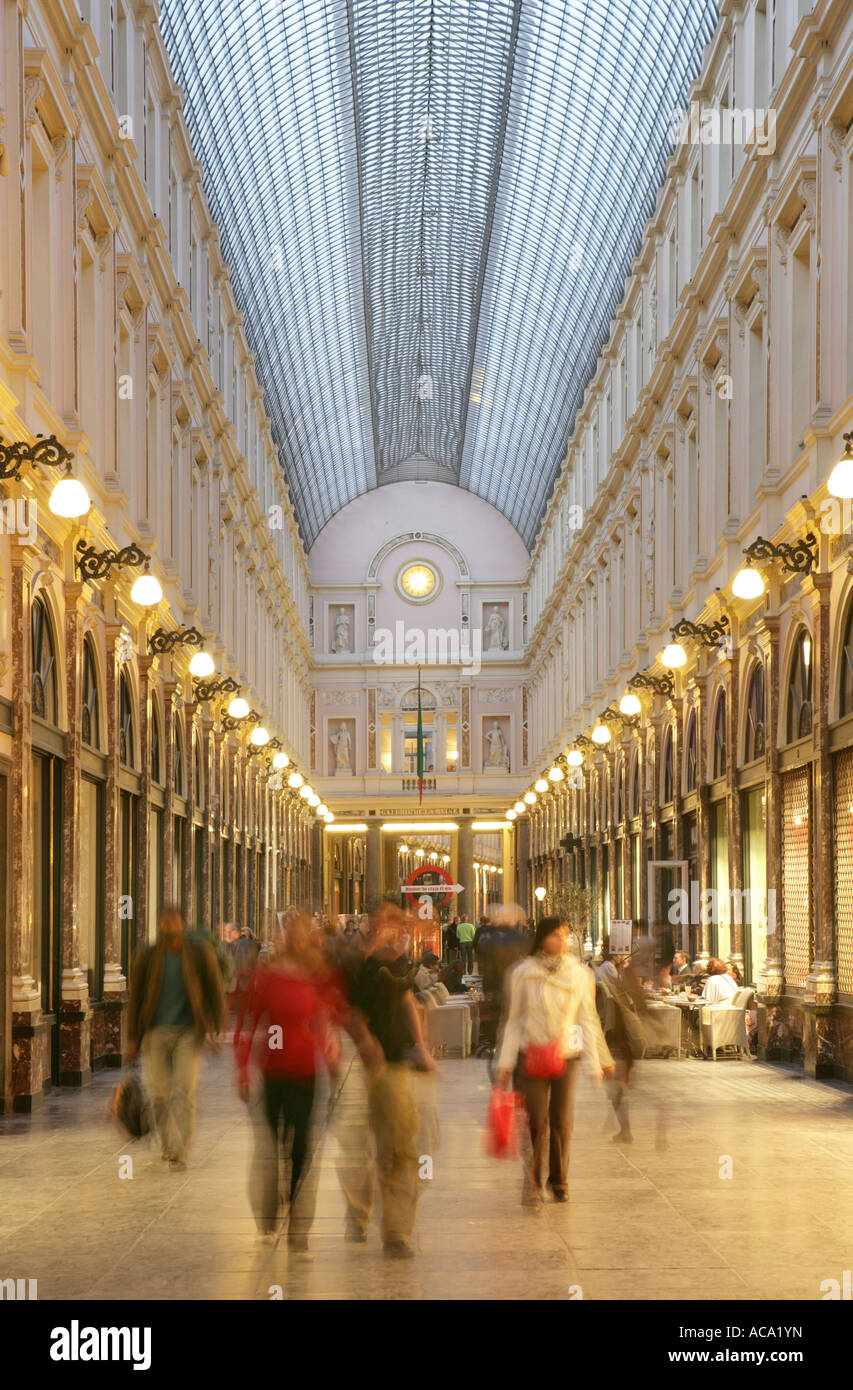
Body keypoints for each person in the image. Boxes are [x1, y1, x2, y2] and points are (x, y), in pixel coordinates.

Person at [234, 913, 345, 1255]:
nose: (298, 941)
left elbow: (327, 1018)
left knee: (301, 1149)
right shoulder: (266, 978)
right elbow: (249, 1024)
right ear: (284, 939)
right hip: (273, 1071)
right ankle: (268, 1218)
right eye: (292, 935)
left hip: (306, 1073)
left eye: (303, 935)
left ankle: (298, 1220)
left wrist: (331, 1054)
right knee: (272, 1147)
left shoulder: (318, 978)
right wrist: (242, 1068)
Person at [338, 905, 436, 1259]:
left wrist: (422, 1049)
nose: (397, 931)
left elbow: (406, 999)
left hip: (393, 1066)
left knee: (400, 1150)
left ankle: (396, 1233)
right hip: (356, 1069)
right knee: (356, 1150)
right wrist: (364, 1039)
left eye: (401, 925)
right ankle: (357, 1216)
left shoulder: (400, 962)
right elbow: (344, 1007)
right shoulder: (354, 960)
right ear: (373, 924)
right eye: (390, 923)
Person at [497, 917, 613, 1206]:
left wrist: (598, 1060)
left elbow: (588, 1018)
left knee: (562, 1121)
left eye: (565, 935)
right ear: (542, 938)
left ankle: (559, 1180)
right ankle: (533, 1182)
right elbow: (513, 1021)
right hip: (531, 1053)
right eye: (555, 935)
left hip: (567, 1054)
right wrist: (505, 1062)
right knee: (537, 1121)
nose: (562, 941)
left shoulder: (579, 975)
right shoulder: (523, 973)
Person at [127, 906, 226, 1170]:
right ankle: (169, 1146)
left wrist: (216, 1028)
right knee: (158, 1095)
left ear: (182, 923)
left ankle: (180, 1150)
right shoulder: (148, 956)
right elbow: (135, 998)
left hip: (188, 1032)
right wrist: (132, 1037)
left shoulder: (198, 953)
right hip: (155, 1031)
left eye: (173, 920)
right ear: (160, 924)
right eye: (164, 921)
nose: (168, 925)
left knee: (184, 1091)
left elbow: (215, 989)